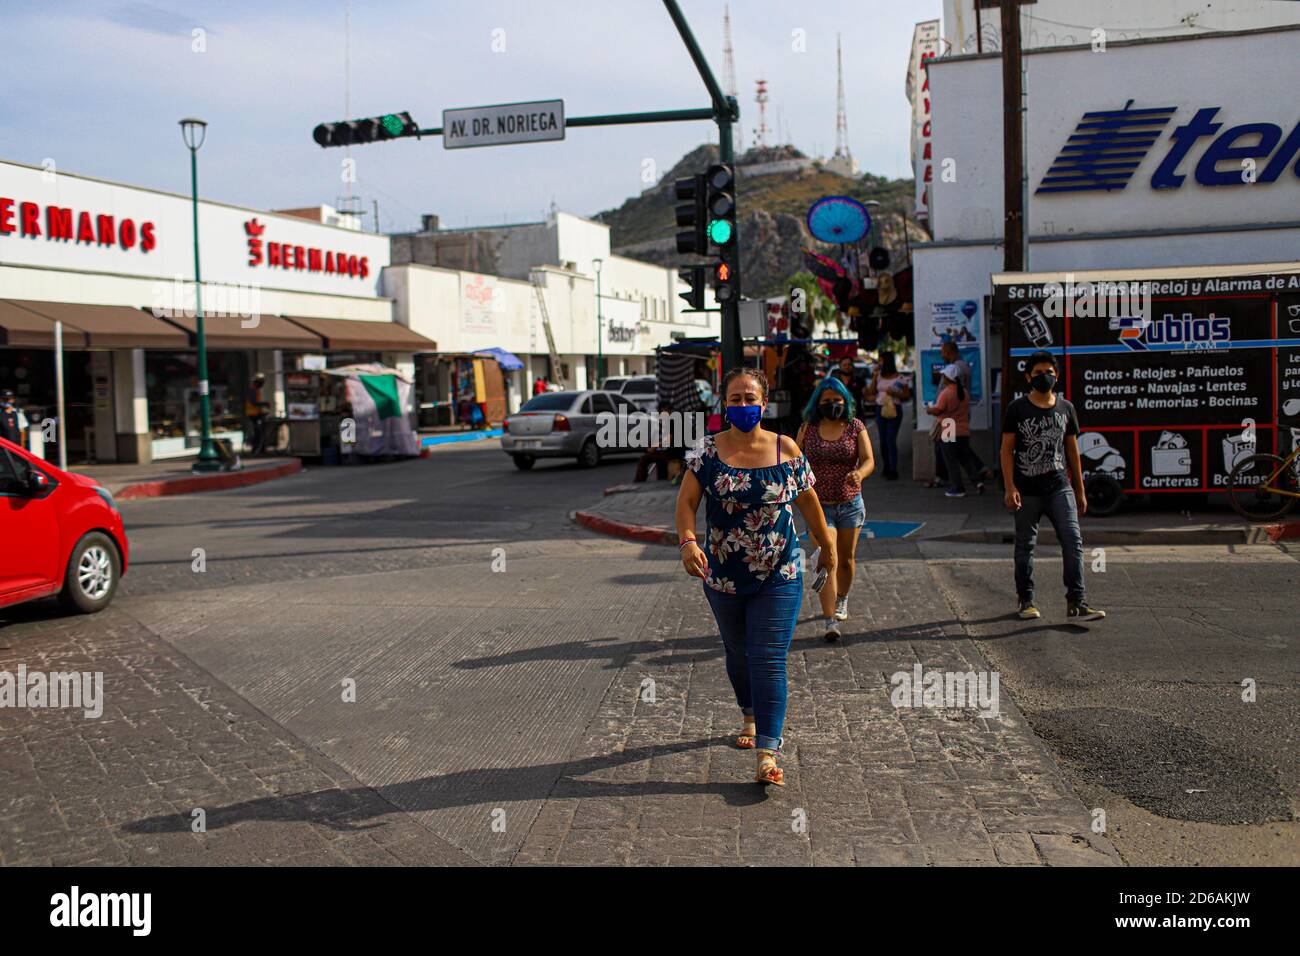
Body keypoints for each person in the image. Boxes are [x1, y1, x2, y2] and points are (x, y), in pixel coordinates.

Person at [675, 366, 837, 787]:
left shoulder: (785, 449)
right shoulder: (706, 451)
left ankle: (768, 751)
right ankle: (748, 711)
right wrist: (688, 542)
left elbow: (808, 502)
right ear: (724, 404)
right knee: (738, 651)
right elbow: (687, 502)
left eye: (751, 398)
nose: (744, 405)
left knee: (768, 657)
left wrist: (827, 545)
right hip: (723, 575)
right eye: (736, 399)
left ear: (764, 404)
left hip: (780, 571)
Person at [1000, 350, 1106, 622]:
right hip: (1027, 490)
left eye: (1048, 372)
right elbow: (1006, 450)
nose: (1044, 377)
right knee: (1026, 545)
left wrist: (1080, 491)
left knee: (1073, 541)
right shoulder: (1017, 409)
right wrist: (1010, 487)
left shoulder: (1066, 408)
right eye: (1037, 373)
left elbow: (1072, 452)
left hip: (1060, 487)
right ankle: (1026, 599)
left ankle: (1077, 601)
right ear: (1028, 377)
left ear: (1056, 376)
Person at [796, 376, 874, 634]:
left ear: (845, 401)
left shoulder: (855, 426)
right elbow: (794, 458)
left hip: (850, 503)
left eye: (837, 400)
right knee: (826, 559)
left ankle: (842, 597)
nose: (832, 404)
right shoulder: (809, 427)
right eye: (826, 400)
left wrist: (860, 474)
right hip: (818, 506)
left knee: (847, 560)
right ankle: (829, 619)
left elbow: (868, 459)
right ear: (817, 402)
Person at [926, 364, 983, 498]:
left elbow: (938, 410)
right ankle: (978, 482)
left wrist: (929, 409)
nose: (942, 378)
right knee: (965, 459)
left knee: (951, 460)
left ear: (948, 378)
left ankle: (958, 487)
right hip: (963, 428)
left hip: (949, 427)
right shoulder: (964, 392)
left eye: (944, 376)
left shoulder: (946, 393)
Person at [940, 340, 994, 481]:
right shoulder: (960, 367)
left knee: (950, 451)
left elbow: (942, 405)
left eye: (943, 352)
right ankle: (978, 475)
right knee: (960, 449)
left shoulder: (956, 371)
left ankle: (952, 481)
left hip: (949, 419)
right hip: (954, 417)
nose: (942, 355)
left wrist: (935, 409)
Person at [869, 351, 910, 481]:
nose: (879, 363)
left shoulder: (900, 378)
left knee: (890, 440)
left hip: (894, 409)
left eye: (881, 360)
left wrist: (894, 393)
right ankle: (886, 466)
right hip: (880, 409)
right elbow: (871, 391)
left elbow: (907, 396)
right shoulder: (879, 376)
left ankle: (893, 469)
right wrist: (874, 376)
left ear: (886, 362)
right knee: (882, 440)